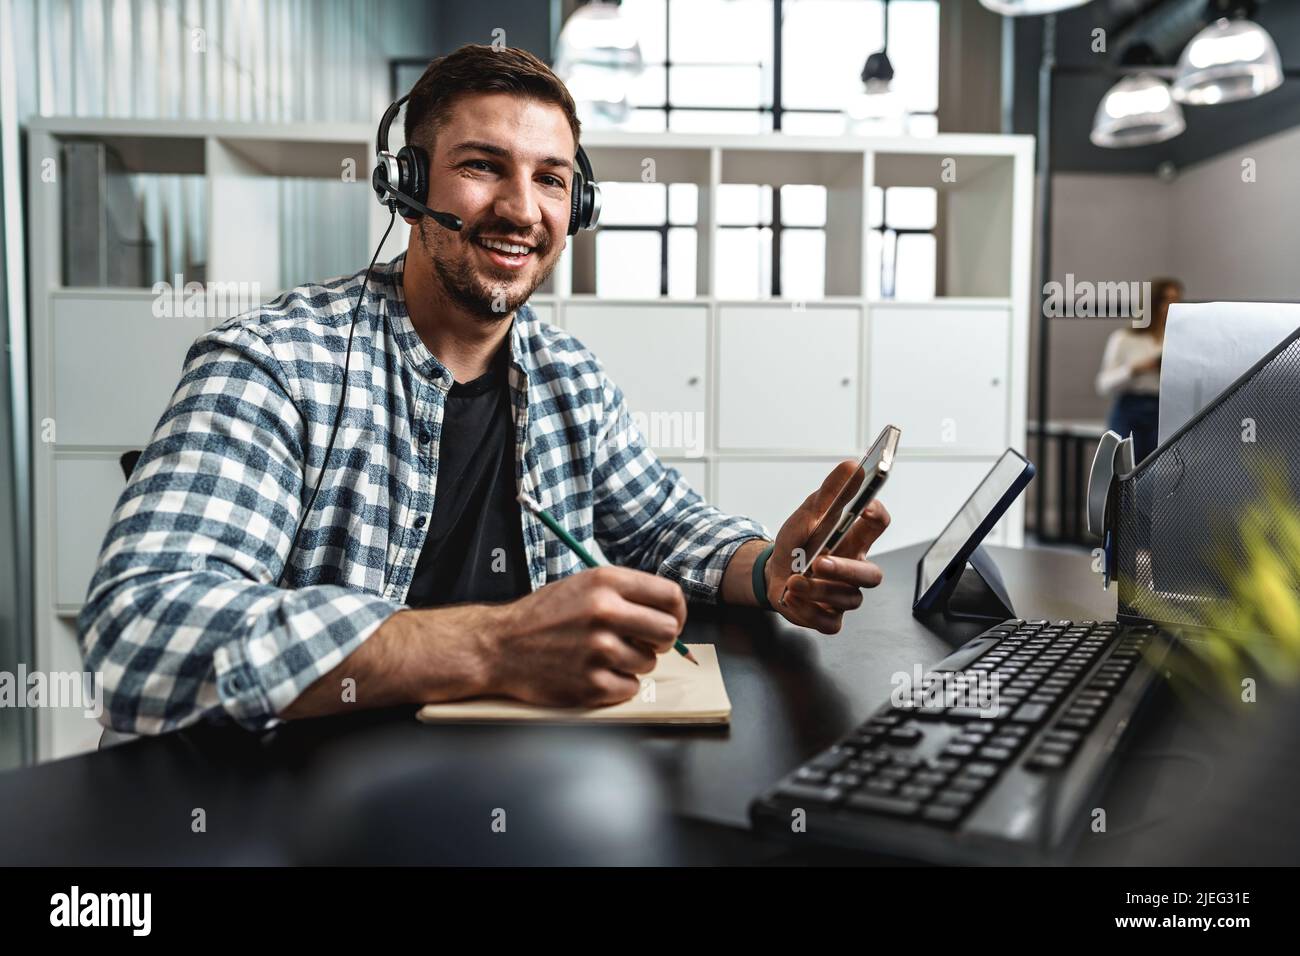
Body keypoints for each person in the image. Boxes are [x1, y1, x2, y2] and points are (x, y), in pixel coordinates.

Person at [78, 44, 892, 736]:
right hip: (304, 799)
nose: (520, 209)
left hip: (519, 783)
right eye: (481, 166)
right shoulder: (275, 365)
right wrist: (494, 644)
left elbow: (662, 527)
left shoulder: (568, 377)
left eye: (551, 179)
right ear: (407, 181)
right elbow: (139, 633)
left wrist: (771, 569)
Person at [1095, 277, 1183, 463]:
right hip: (1130, 408)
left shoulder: (1179, 340)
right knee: (1124, 468)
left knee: (1156, 472)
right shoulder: (1124, 339)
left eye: (1176, 300)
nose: (1170, 306)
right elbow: (1103, 385)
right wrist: (1134, 369)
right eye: (1165, 300)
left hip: (1163, 410)